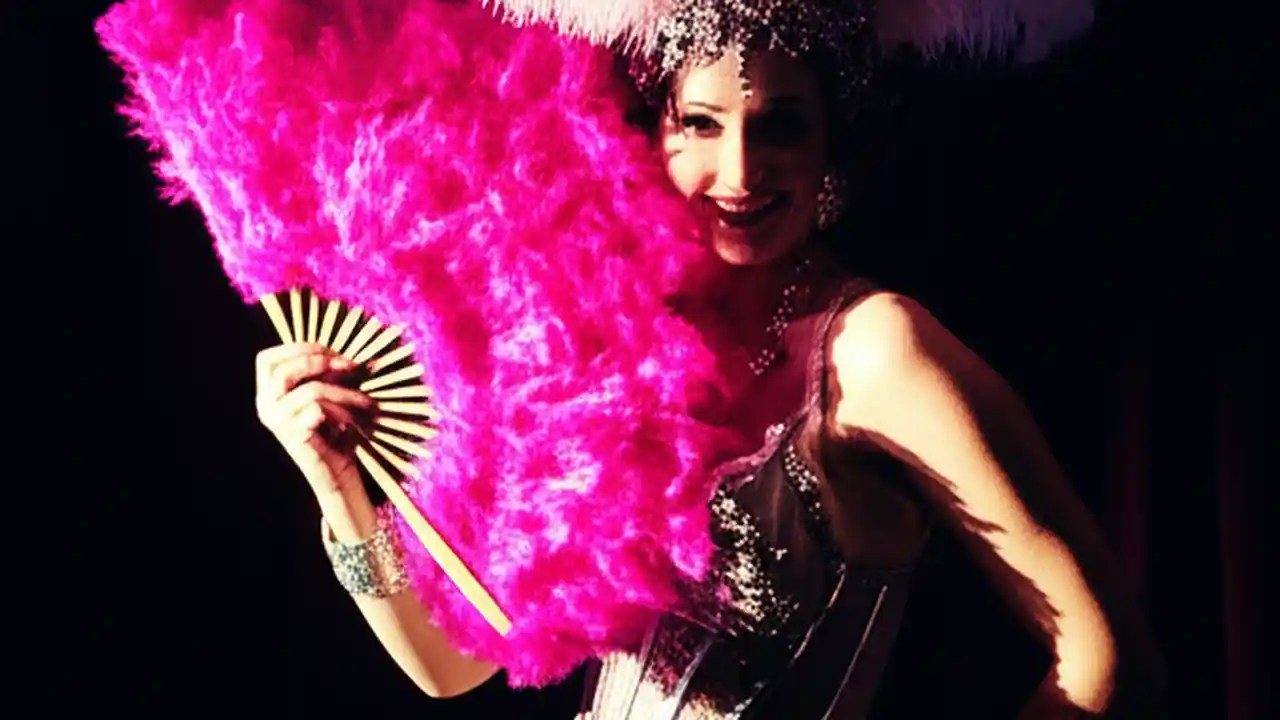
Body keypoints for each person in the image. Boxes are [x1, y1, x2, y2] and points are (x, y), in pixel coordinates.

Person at [254, 0, 1164, 716]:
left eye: (779, 125)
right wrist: (337, 486)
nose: (739, 170)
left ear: (831, 141)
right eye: (701, 121)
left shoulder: (877, 351)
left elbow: (1106, 654)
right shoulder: (611, 355)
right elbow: (454, 667)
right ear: (653, 133)